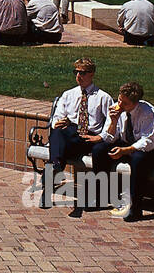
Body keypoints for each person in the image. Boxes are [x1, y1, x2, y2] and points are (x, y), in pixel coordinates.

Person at [38, 57, 114, 209]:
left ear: (92, 74)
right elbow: (57, 116)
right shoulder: (69, 94)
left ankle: (51, 174)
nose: (79, 76)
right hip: (71, 133)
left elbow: (111, 122)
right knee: (58, 132)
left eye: (83, 73)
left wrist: (100, 137)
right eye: (76, 72)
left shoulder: (103, 97)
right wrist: (57, 122)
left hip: (89, 137)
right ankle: (56, 164)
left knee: (60, 145)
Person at [93, 81, 154, 222]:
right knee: (99, 150)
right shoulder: (116, 108)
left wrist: (126, 150)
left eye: (125, 103)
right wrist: (113, 122)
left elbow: (148, 142)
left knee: (138, 160)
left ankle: (135, 207)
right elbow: (109, 138)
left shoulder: (147, 112)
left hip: (150, 150)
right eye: (119, 99)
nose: (120, 104)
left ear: (135, 103)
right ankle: (99, 197)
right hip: (126, 143)